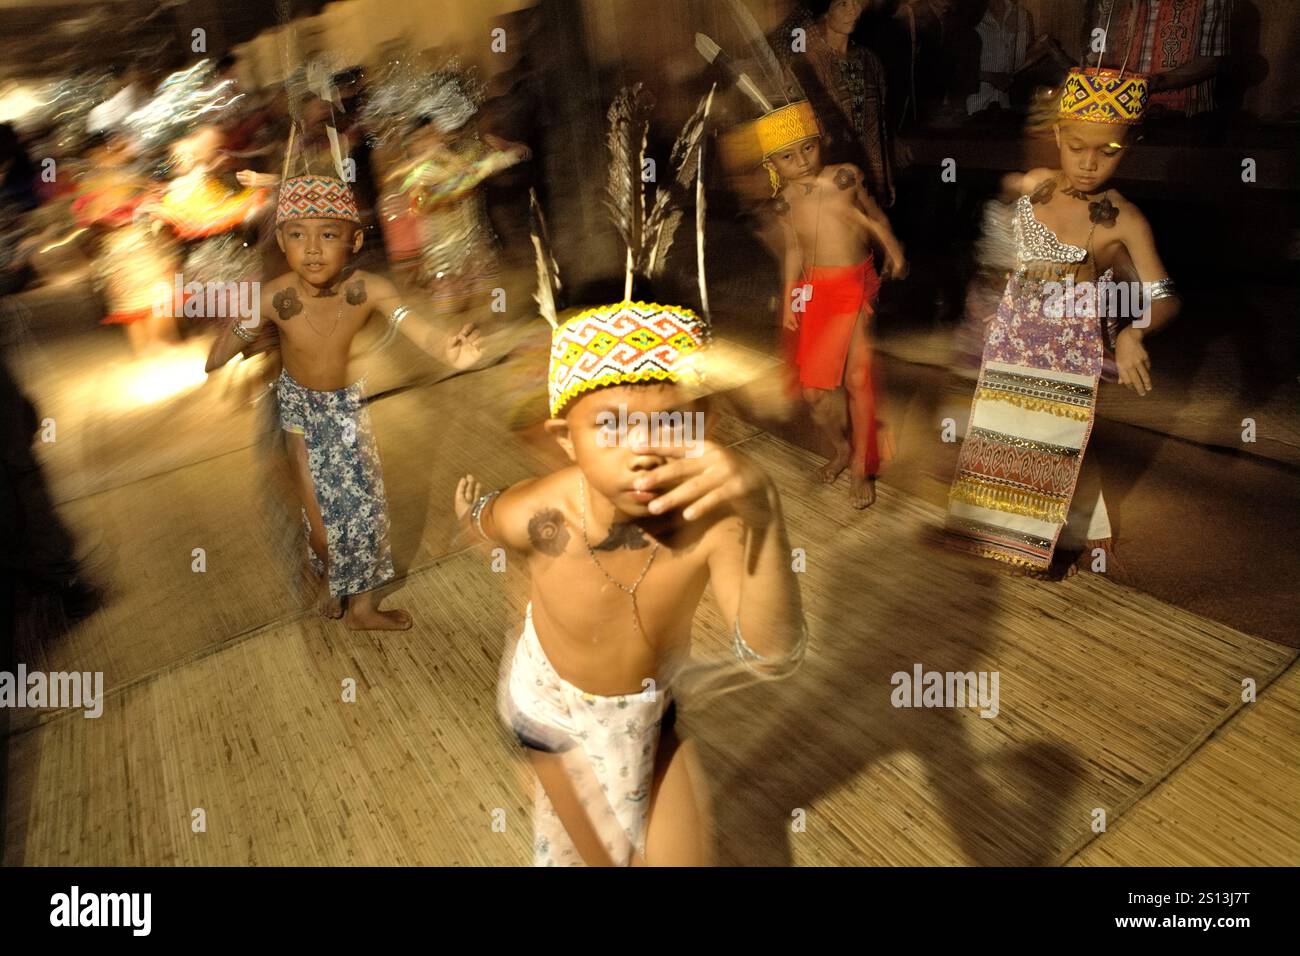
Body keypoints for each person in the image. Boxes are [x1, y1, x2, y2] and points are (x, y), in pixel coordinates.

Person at [205, 175, 482, 629]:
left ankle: (362, 608)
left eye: (328, 235)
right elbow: (214, 361)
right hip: (298, 413)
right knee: (321, 526)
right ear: (282, 240)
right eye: (297, 235)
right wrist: (240, 330)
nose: (312, 249)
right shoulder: (275, 296)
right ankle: (334, 576)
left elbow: (417, 326)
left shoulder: (368, 290)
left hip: (345, 410)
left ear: (353, 240)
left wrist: (449, 348)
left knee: (366, 512)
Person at [945, 67, 1181, 575]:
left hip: (1069, 353)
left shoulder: (1126, 218)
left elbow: (1163, 296)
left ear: (1128, 146)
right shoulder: (1032, 189)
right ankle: (1050, 536)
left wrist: (1134, 332)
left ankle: (1053, 547)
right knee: (1005, 440)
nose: (1090, 164)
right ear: (1057, 136)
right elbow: (1003, 254)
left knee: (1057, 444)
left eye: (1108, 151)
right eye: (1077, 147)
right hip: (1010, 344)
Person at [755, 101, 906, 508]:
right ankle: (840, 448)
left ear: (820, 142)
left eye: (808, 148)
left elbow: (872, 217)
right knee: (815, 396)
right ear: (772, 162)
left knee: (857, 379)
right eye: (787, 156)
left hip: (853, 287)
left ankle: (862, 464)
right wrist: (790, 298)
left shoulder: (844, 178)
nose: (801, 161)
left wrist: (892, 249)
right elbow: (792, 250)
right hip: (816, 292)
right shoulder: (785, 201)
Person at [1089, 0, 1234, 119]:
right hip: (1120, 115)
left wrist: (1148, 84)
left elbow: (1211, 61)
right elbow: (1098, 52)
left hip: (1185, 121)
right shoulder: (1112, 3)